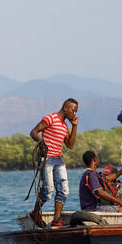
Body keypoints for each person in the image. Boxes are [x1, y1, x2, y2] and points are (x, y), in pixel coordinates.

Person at [29, 98, 79, 229]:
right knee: (48, 190)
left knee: (64, 190)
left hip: (58, 160)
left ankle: (57, 219)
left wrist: (74, 126)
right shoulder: (50, 118)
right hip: (47, 159)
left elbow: (70, 145)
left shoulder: (64, 126)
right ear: (66, 108)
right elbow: (33, 132)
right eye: (73, 111)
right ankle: (35, 213)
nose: (74, 114)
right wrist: (41, 142)